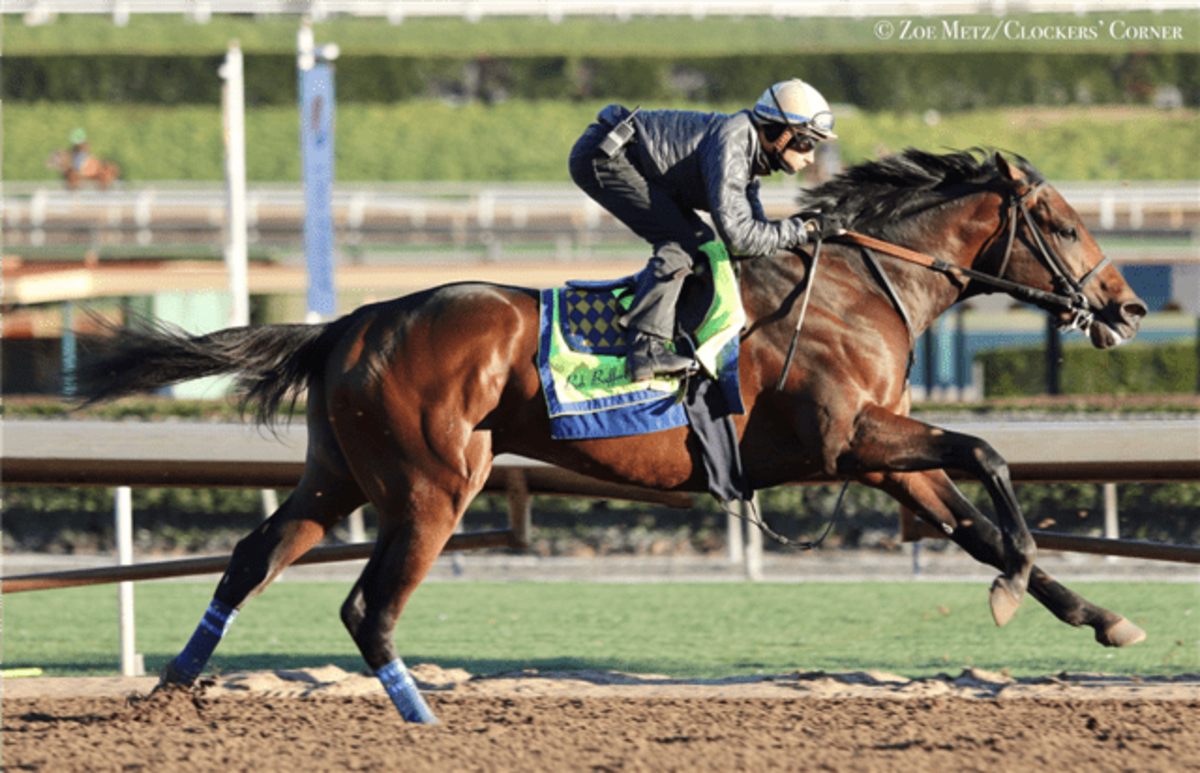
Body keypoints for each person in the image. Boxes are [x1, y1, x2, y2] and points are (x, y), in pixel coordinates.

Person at [568, 78, 840, 382]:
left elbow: (756, 235)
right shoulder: (733, 143)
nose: (811, 156)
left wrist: (806, 228)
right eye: (806, 142)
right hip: (606, 156)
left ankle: (667, 324)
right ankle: (645, 348)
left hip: (626, 153)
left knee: (702, 242)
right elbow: (740, 239)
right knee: (682, 242)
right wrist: (800, 229)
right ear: (780, 133)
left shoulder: (749, 153)